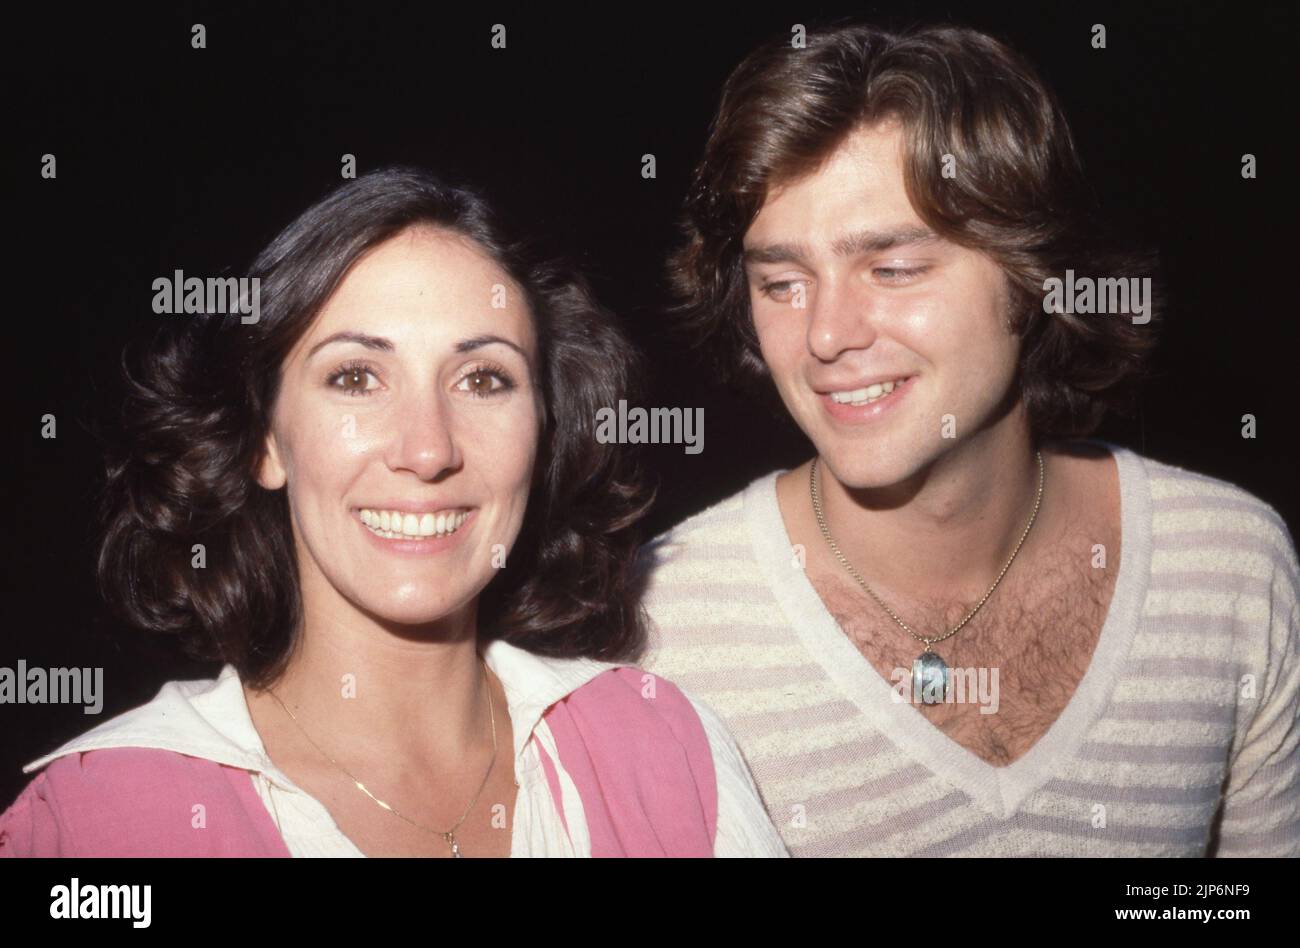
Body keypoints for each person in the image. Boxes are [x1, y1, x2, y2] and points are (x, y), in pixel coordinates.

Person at [636, 22, 1299, 856]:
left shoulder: (1229, 566)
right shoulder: (661, 628)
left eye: (894, 268)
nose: (827, 335)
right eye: (782, 282)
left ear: (1033, 279)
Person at [0, 167, 788, 858]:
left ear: (545, 435)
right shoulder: (94, 820)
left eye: (483, 380)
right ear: (267, 440)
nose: (426, 449)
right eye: (355, 378)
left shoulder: (662, 750)